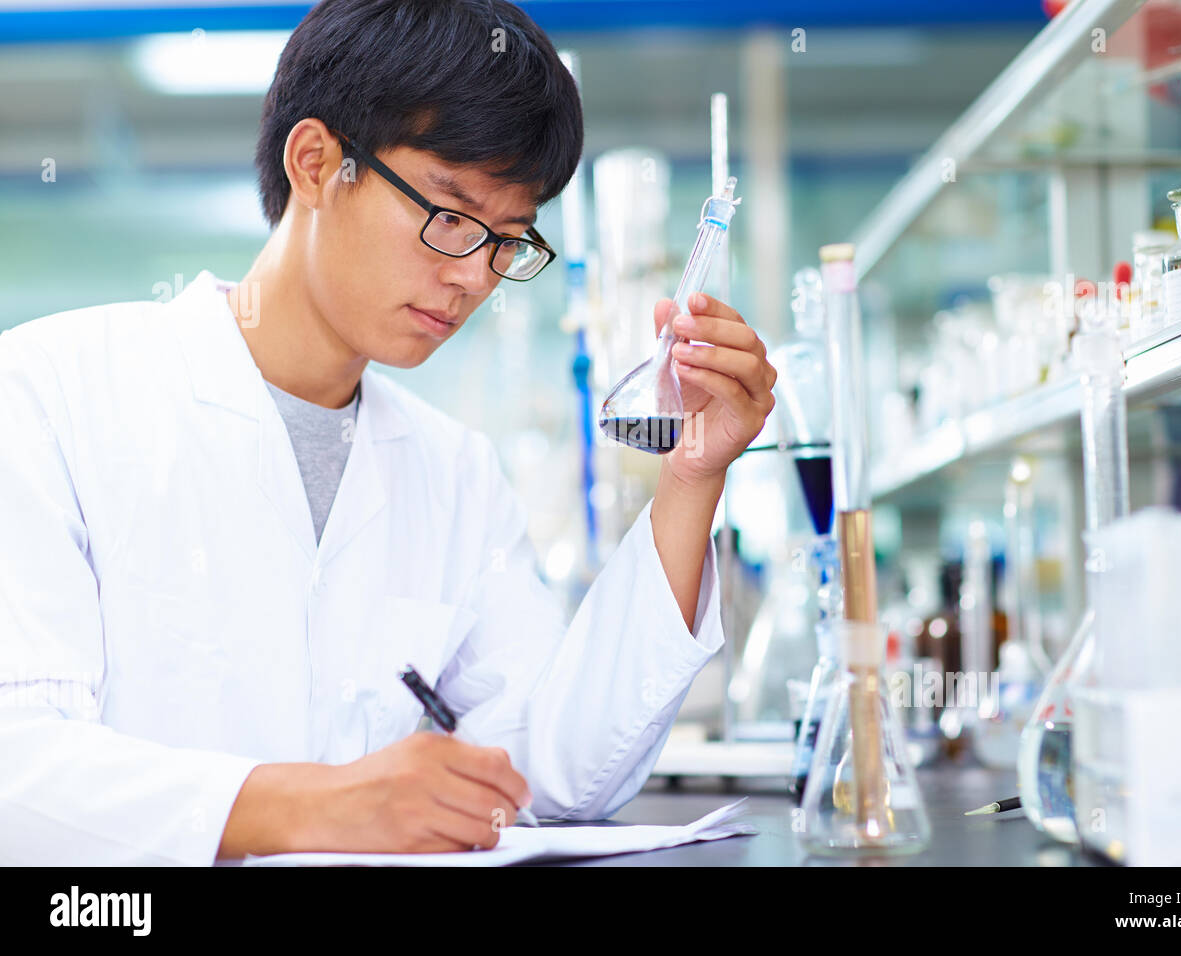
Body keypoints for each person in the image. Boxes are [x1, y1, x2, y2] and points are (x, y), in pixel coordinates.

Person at [0, 0, 777, 864]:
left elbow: (552, 772)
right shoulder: (47, 395)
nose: (473, 277)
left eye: (507, 242)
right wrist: (313, 807)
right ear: (316, 162)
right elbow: (18, 771)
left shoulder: (452, 472)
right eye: (448, 216)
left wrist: (693, 479)